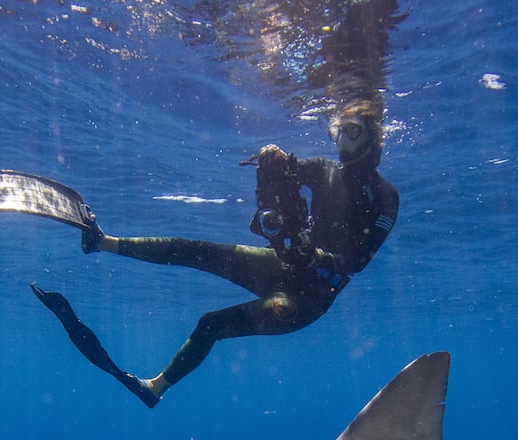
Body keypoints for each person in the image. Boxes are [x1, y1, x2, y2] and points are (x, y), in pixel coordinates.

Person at [31, 101, 399, 408]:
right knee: (198, 251)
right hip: (285, 263)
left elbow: (358, 263)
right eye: (338, 132)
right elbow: (290, 170)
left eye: (353, 133)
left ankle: (154, 388)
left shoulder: (386, 197)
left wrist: (318, 257)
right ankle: (101, 241)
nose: (343, 143)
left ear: (374, 137)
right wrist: (275, 161)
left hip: (310, 295)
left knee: (210, 325)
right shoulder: (323, 169)